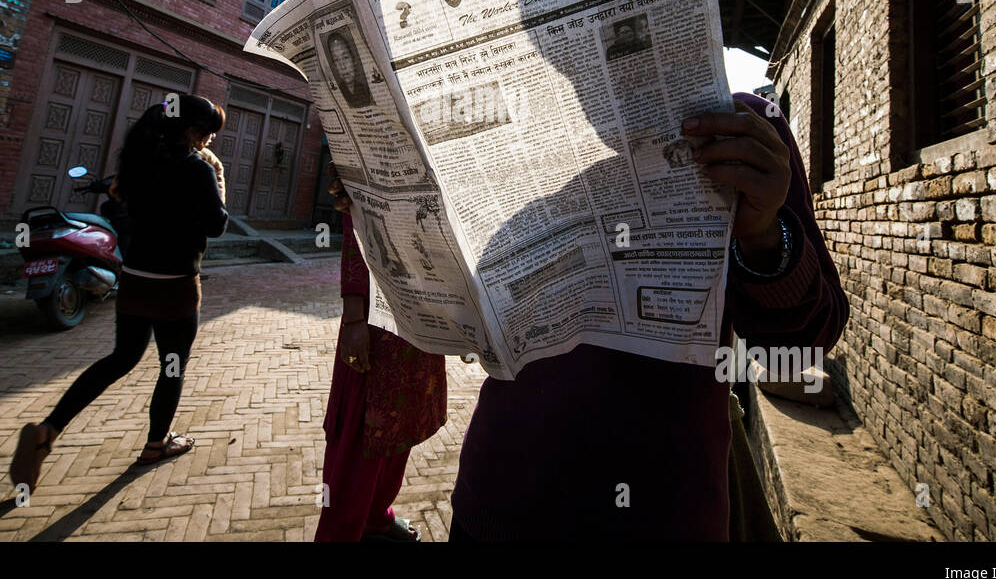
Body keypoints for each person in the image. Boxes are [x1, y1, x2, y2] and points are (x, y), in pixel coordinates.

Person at [330, 93, 847, 539]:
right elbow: (464, 313)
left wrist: (763, 233)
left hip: (662, 515)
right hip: (499, 498)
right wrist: (378, 202)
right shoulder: (509, 134)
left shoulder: (742, 133)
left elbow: (799, 343)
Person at [9, 94, 230, 493]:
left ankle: (48, 429)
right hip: (175, 284)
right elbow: (216, 226)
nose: (210, 143)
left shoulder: (139, 163)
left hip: (134, 277)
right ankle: (155, 445)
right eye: (209, 134)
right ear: (194, 131)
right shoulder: (198, 169)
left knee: (120, 359)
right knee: (172, 365)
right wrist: (216, 186)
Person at [314, 182, 447, 542]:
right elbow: (358, 231)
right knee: (362, 434)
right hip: (376, 326)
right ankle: (340, 533)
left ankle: (376, 515)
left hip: (423, 321)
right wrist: (354, 319)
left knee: (401, 426)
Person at [326, 30, 374, 108]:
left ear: (354, 60)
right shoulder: (335, 95)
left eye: (345, 57)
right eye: (336, 60)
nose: (343, 67)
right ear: (334, 66)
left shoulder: (367, 91)